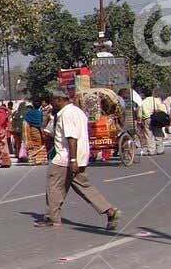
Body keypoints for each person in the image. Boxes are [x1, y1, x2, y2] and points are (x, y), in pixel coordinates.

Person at [38, 88, 120, 230]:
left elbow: (72, 137)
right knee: (83, 186)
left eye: (53, 100)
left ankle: (53, 218)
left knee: (54, 186)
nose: (52, 104)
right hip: (79, 155)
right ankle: (110, 211)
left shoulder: (67, 114)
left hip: (66, 157)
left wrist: (72, 159)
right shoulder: (77, 111)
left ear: (59, 99)